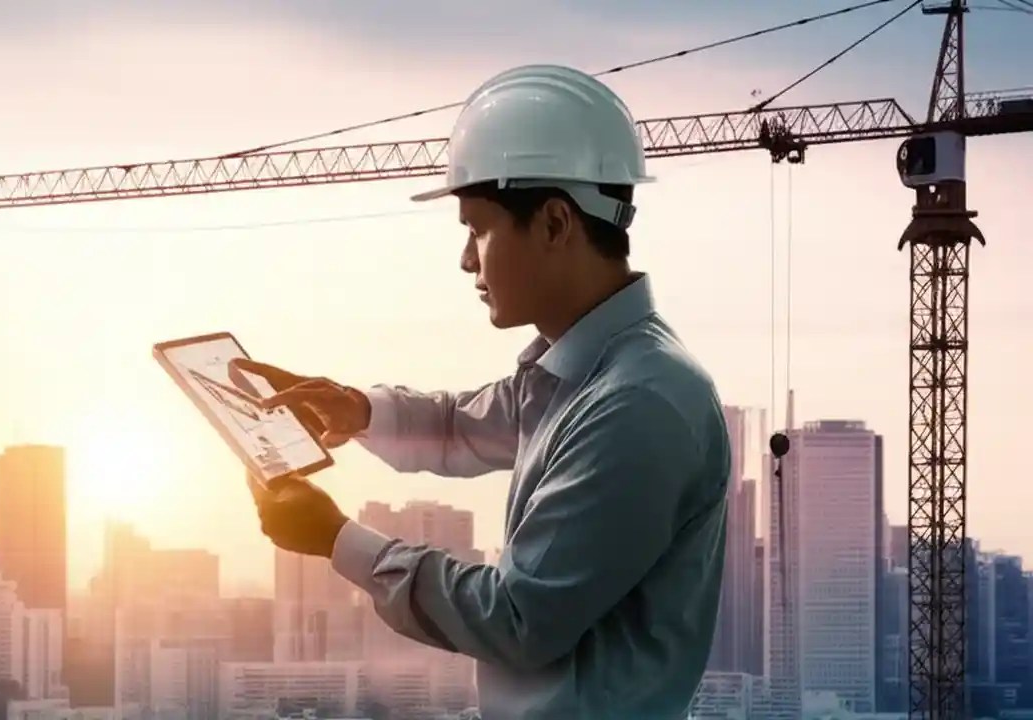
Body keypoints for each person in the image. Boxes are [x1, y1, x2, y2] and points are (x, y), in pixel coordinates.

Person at [237, 64, 731, 719]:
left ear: (554, 224)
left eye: (477, 228)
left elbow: (518, 618)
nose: (467, 259)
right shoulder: (582, 376)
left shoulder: (637, 405)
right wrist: (354, 409)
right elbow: (459, 427)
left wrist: (334, 538)